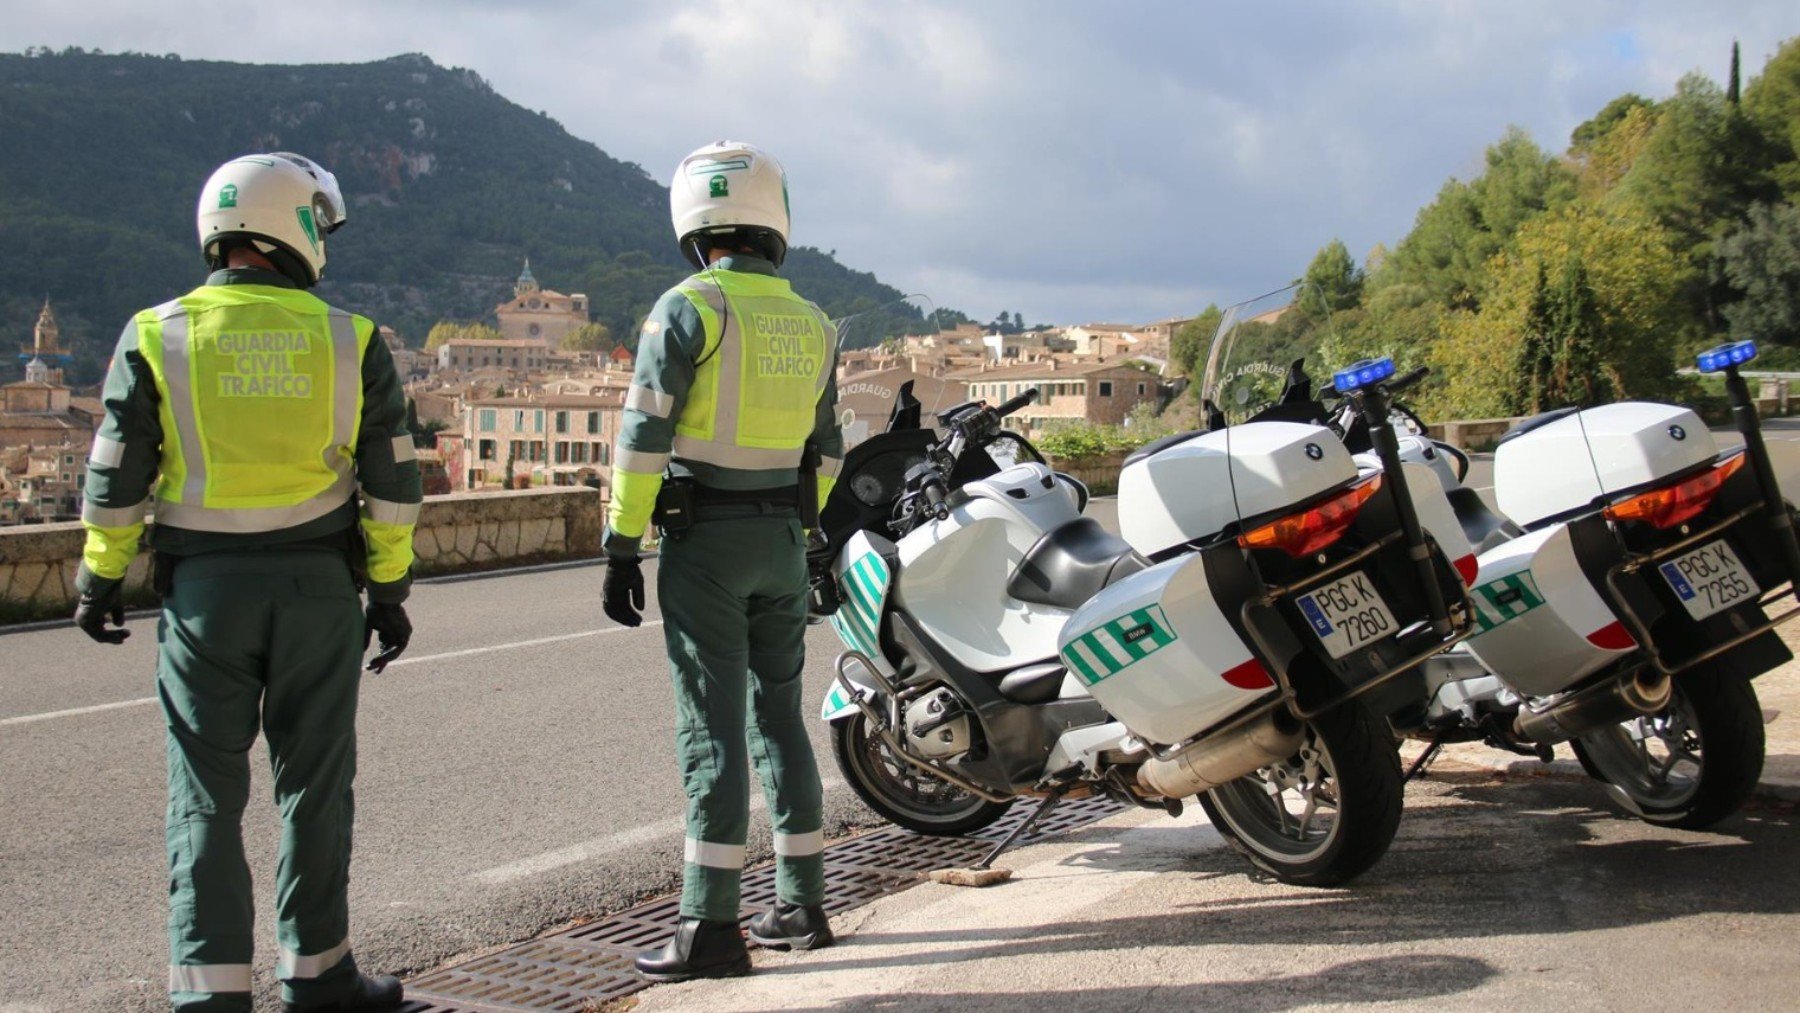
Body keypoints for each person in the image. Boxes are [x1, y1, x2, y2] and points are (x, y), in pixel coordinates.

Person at [73, 152, 421, 1013]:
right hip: (317, 589)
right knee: (314, 786)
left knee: (204, 796)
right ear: (296, 225)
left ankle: (209, 993)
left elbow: (115, 475)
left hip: (203, 596)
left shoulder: (155, 333)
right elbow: (395, 484)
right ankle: (318, 975)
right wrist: (388, 591)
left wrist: (99, 578)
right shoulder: (354, 338)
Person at [603, 140, 845, 981]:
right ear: (774, 219)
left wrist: (619, 543)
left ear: (694, 224)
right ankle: (804, 899)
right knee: (780, 715)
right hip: (782, 539)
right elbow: (829, 455)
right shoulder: (815, 324)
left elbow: (642, 440)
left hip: (705, 545)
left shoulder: (686, 309)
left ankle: (709, 925)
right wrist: (811, 539)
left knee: (711, 727)